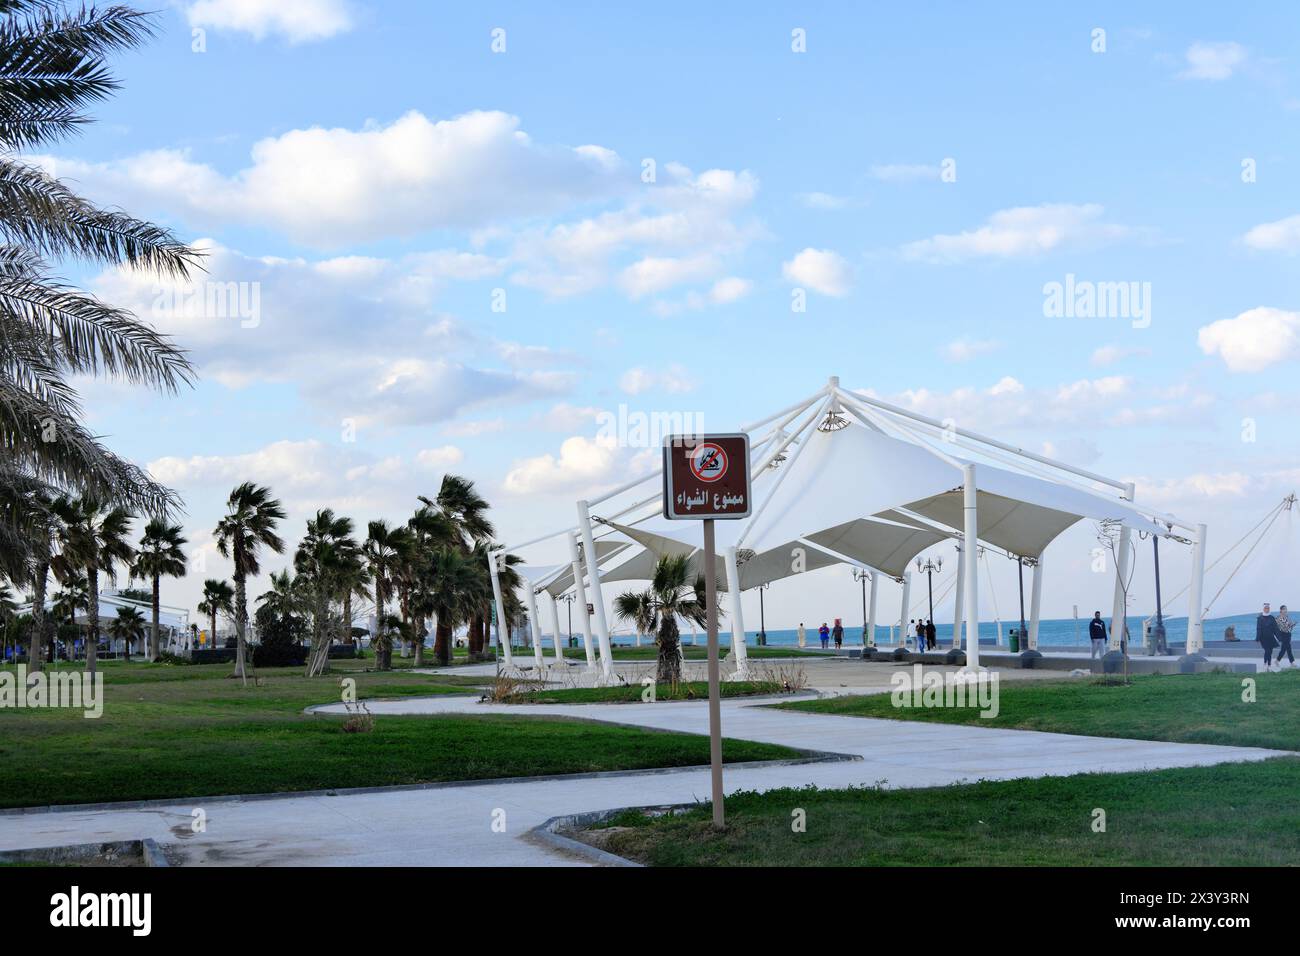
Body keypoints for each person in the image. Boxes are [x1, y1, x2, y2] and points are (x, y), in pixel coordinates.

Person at [1256, 603, 1280, 670]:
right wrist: (1257, 638)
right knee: (1267, 651)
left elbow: (1275, 628)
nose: (1267, 609)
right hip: (1263, 638)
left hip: (1271, 637)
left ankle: (1269, 664)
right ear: (1263, 609)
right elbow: (1258, 628)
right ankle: (1265, 663)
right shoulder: (1260, 618)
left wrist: (1279, 637)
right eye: (1265, 608)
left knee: (1270, 651)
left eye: (1268, 608)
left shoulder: (1272, 618)